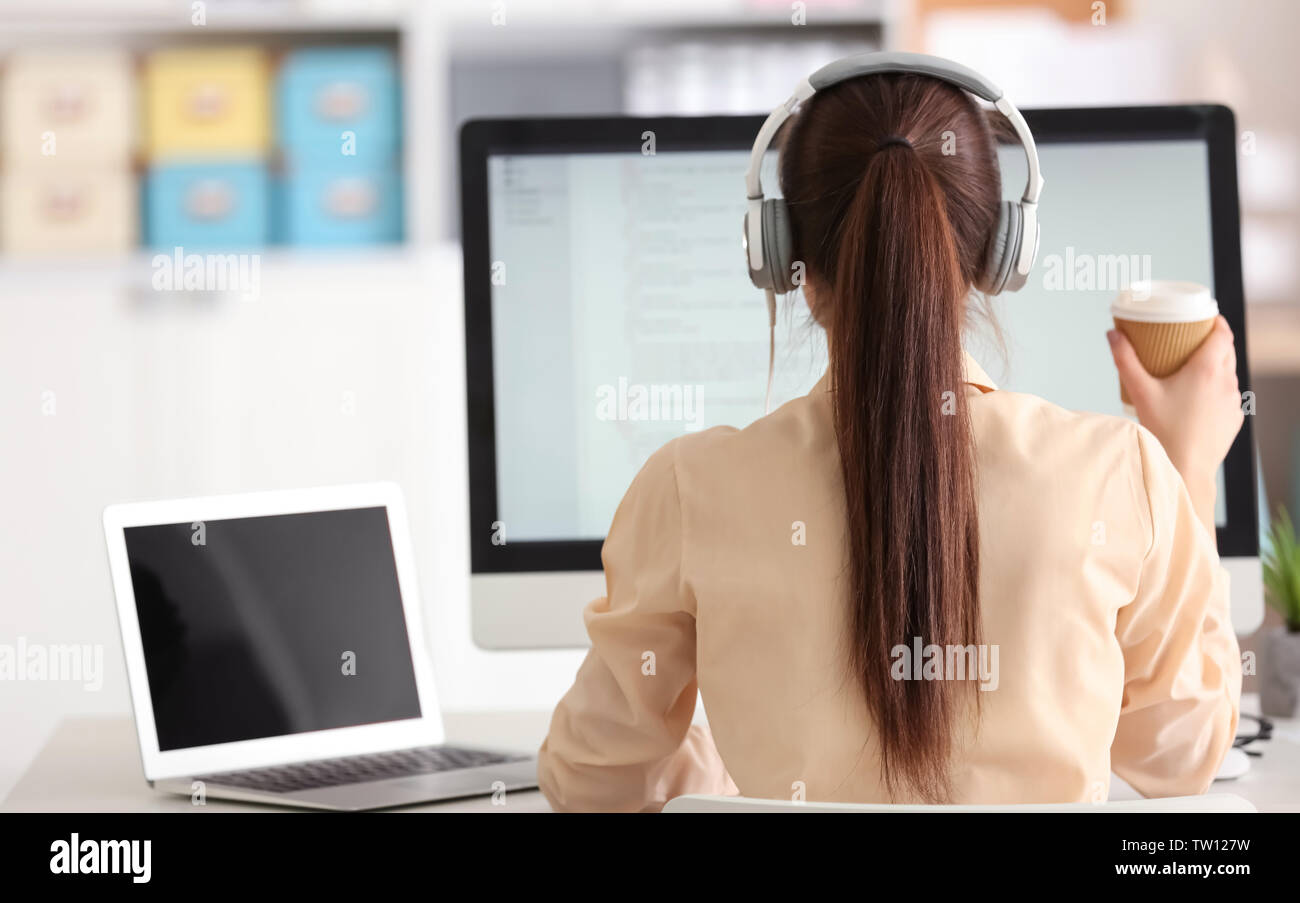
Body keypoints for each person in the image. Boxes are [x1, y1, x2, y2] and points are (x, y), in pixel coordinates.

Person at [537, 68, 1244, 811]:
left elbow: (592, 780)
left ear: (789, 264)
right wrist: (1187, 469)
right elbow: (1182, 755)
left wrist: (715, 777)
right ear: (994, 256)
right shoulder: (1118, 475)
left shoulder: (689, 489)